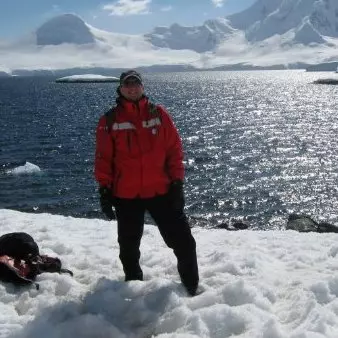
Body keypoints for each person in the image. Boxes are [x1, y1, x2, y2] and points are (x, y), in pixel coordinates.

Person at [94, 70, 199, 296]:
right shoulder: (109, 120)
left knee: (184, 242)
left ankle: (191, 288)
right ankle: (133, 289)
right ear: (120, 89)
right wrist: (104, 189)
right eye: (127, 84)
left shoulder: (159, 114)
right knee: (129, 248)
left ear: (142, 87)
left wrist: (177, 182)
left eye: (136, 84)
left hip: (161, 191)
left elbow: (174, 150)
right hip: (127, 195)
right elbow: (104, 158)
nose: (132, 88)